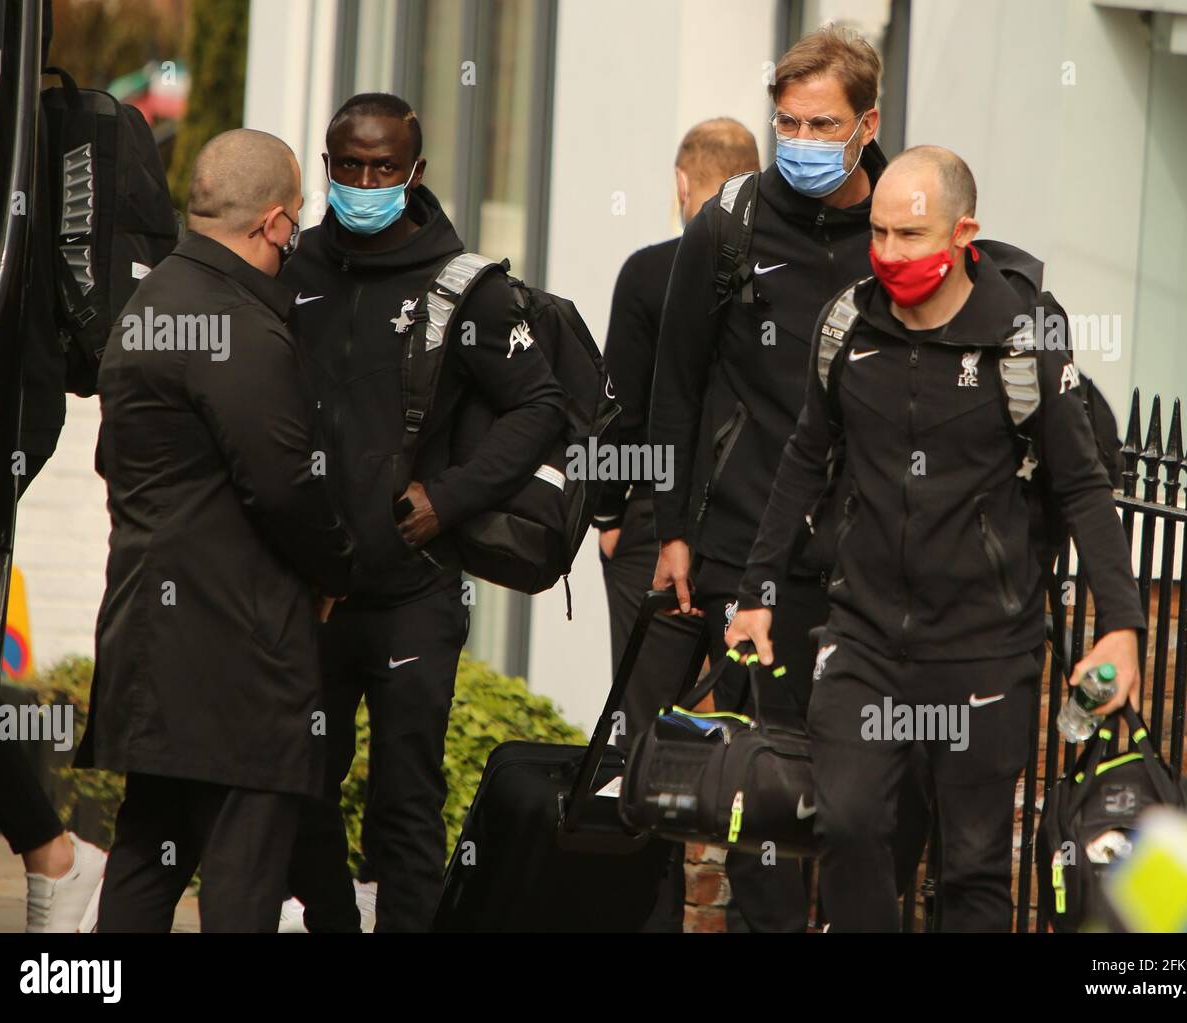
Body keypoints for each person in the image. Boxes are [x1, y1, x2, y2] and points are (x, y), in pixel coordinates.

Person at [727, 145, 1147, 932]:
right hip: (863, 639)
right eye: (878, 233)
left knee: (973, 865)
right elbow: (802, 462)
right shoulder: (847, 327)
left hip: (986, 646)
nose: (887, 253)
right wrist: (755, 592)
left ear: (963, 233)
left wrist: (1121, 626)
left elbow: (1084, 486)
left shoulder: (1019, 344)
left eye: (910, 235)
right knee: (846, 824)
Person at [280, 93, 566, 933]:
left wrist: (451, 496)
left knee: (406, 805)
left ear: (415, 173)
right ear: (327, 165)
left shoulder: (462, 288)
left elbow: (540, 405)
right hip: (311, 592)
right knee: (296, 785)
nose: (366, 182)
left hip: (415, 595)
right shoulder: (290, 267)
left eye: (385, 168)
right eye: (351, 166)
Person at [75, 129, 355, 932]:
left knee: (144, 859)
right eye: (295, 221)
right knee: (242, 881)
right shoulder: (240, 325)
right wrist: (338, 569)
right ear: (274, 223)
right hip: (241, 657)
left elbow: (112, 459)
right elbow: (285, 487)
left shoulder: (148, 304)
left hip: (148, 642)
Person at [647, 25, 891, 933]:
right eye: (786, 121)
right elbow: (673, 389)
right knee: (760, 788)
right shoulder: (731, 225)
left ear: (869, 123)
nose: (800, 140)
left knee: (867, 789)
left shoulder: (902, 224)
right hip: (750, 553)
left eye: (822, 124)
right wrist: (674, 531)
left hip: (873, 558)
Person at [598, 116, 760, 741]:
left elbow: (620, 410)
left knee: (646, 730)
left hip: (653, 521)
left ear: (681, 182)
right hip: (749, 526)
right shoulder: (773, 279)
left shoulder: (648, 273)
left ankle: (654, 840)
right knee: (754, 729)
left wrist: (609, 516)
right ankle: (741, 841)